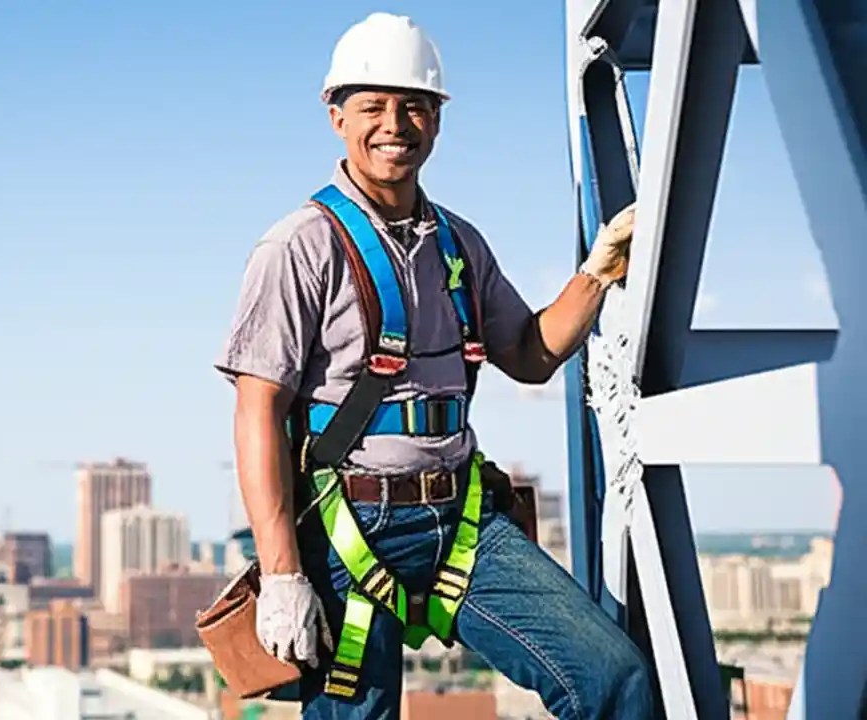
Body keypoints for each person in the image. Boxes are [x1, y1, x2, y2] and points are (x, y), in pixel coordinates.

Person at [213, 12, 655, 720]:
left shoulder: (458, 244)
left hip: (461, 520)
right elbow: (256, 411)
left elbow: (531, 355)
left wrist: (596, 276)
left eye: (415, 106)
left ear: (438, 119)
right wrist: (283, 575)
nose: (396, 123)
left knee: (612, 678)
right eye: (374, 107)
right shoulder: (299, 246)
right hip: (345, 525)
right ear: (336, 116)